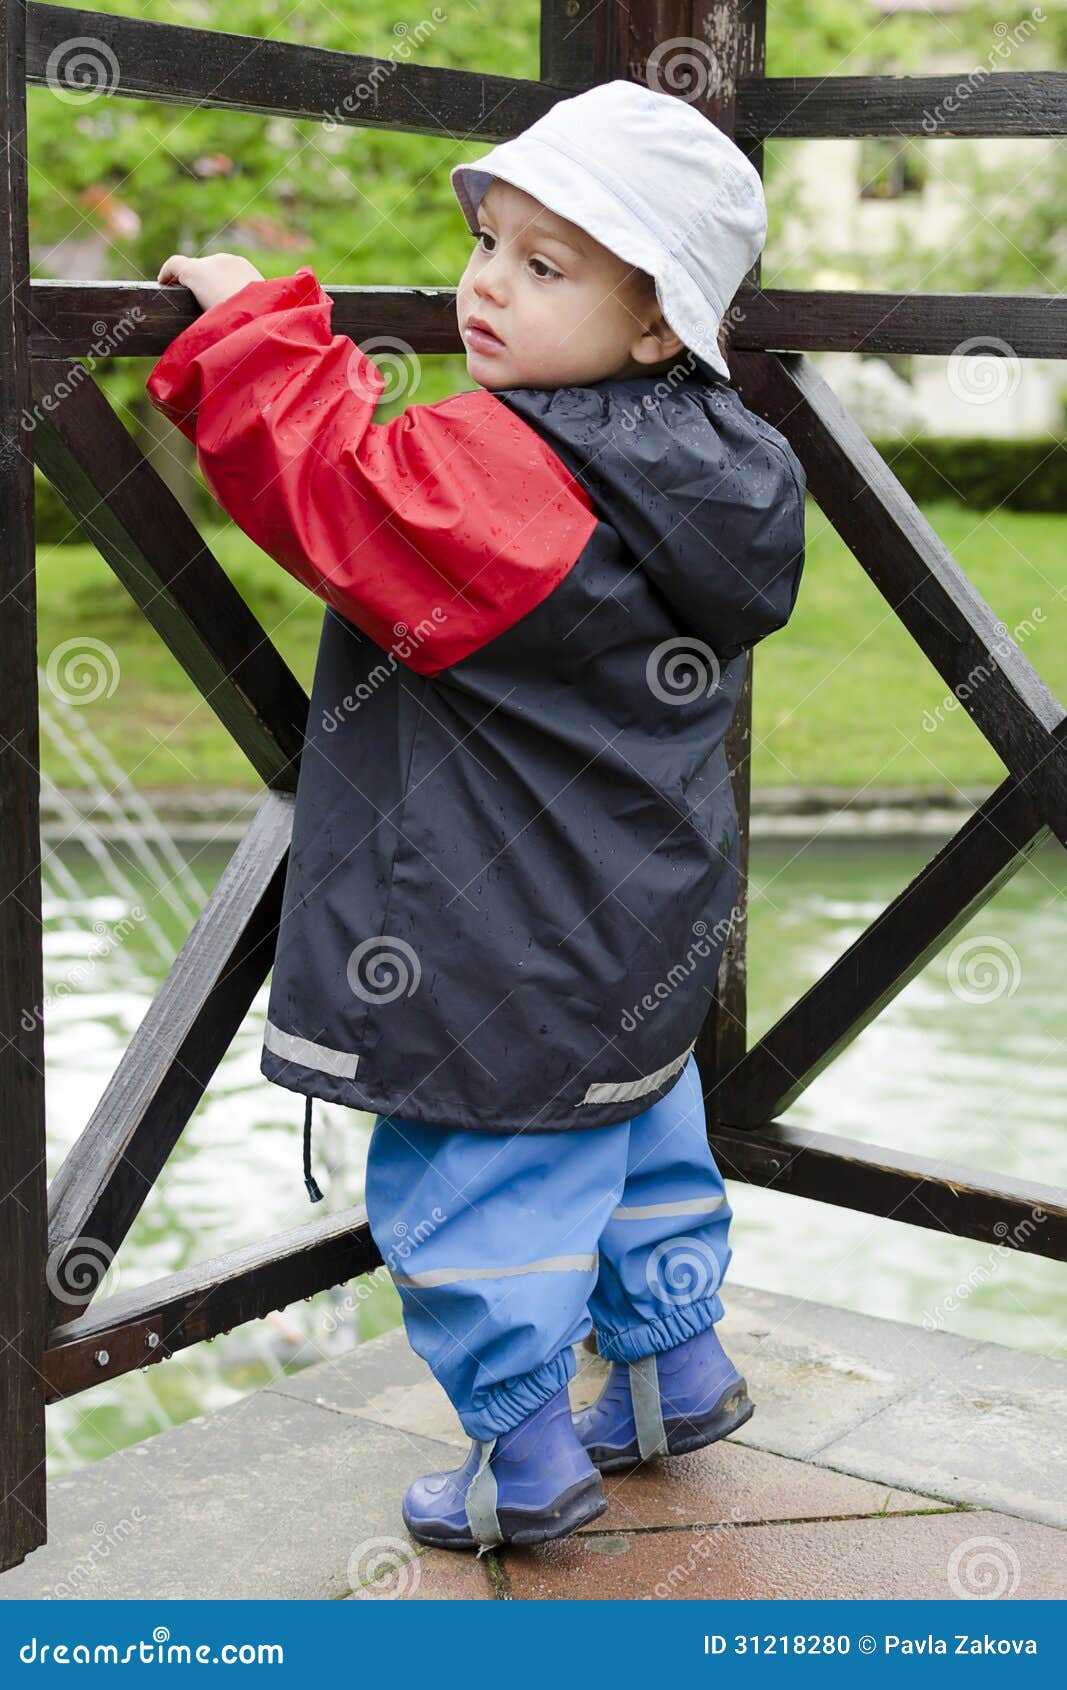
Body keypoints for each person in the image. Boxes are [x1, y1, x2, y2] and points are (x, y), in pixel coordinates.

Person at [145, 78, 806, 1553]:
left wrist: (249, 316)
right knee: (638, 1128)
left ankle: (522, 1460)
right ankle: (672, 1371)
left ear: (655, 325)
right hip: (638, 925)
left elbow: (328, 481)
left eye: (546, 264)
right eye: (491, 242)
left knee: (474, 1183)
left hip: (484, 950)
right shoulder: (725, 460)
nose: (486, 283)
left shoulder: (506, 472)